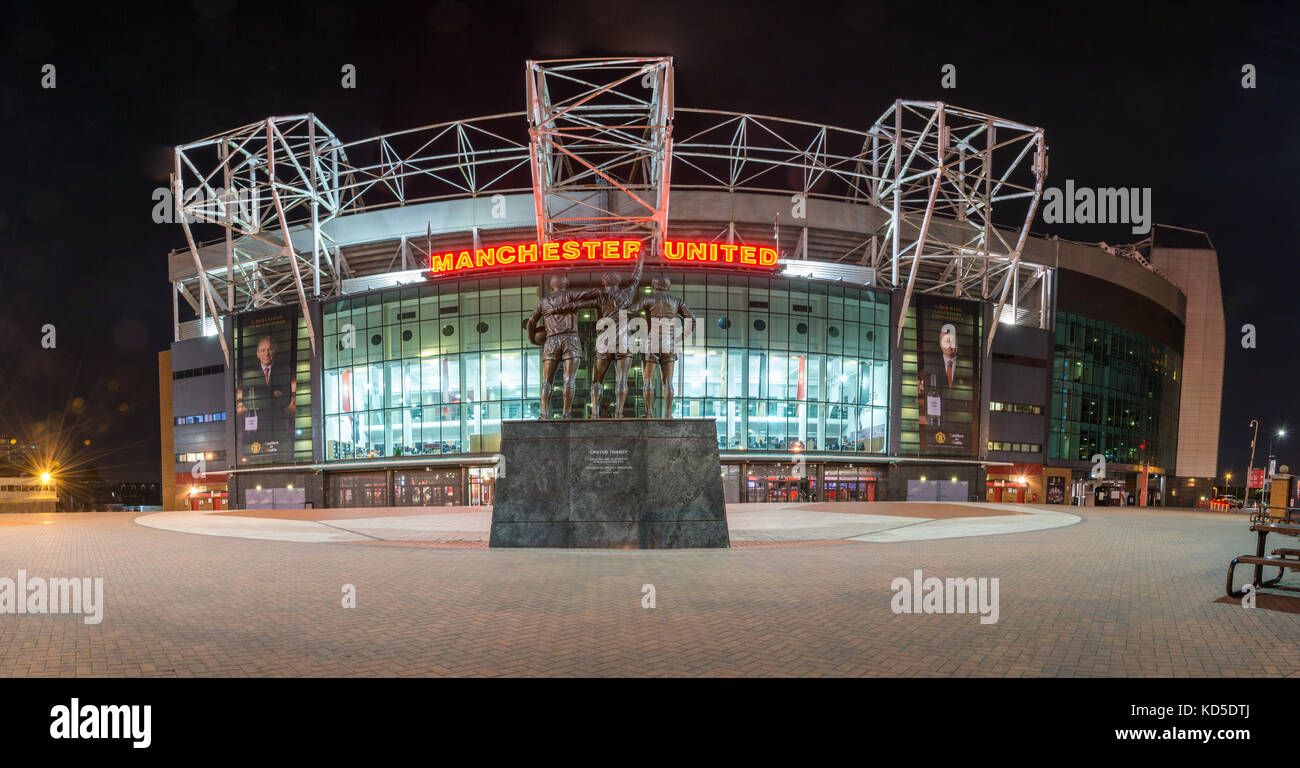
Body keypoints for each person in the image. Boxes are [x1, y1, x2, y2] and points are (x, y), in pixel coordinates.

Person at [527, 275, 601, 419]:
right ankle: (566, 414)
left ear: (551, 286)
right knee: (569, 379)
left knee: (547, 380)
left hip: (551, 341)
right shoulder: (570, 295)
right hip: (570, 339)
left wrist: (532, 340)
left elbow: (531, 322)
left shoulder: (543, 302)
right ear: (566, 284)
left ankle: (544, 414)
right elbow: (596, 292)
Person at [630, 275, 695, 418]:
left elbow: (631, 310)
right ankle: (667, 413)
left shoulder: (649, 299)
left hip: (652, 343)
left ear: (654, 285)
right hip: (669, 344)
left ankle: (649, 413)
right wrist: (680, 338)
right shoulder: (676, 301)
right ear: (668, 286)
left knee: (648, 381)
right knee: (668, 382)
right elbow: (692, 319)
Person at [589, 255, 644, 418]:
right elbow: (636, 277)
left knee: (597, 379)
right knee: (622, 379)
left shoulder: (600, 297)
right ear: (619, 282)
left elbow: (593, 313)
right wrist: (641, 258)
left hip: (605, 340)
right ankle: (619, 413)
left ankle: (594, 413)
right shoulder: (627, 293)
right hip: (624, 340)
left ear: (604, 282)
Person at [235, 335, 297, 456]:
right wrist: (274, 395)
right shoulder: (249, 375)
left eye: (269, 349)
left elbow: (286, 399)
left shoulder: (284, 371)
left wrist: (261, 397)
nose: (266, 353)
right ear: (258, 353)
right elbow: (247, 402)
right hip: (257, 428)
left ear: (274, 351)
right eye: (263, 350)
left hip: (278, 427)